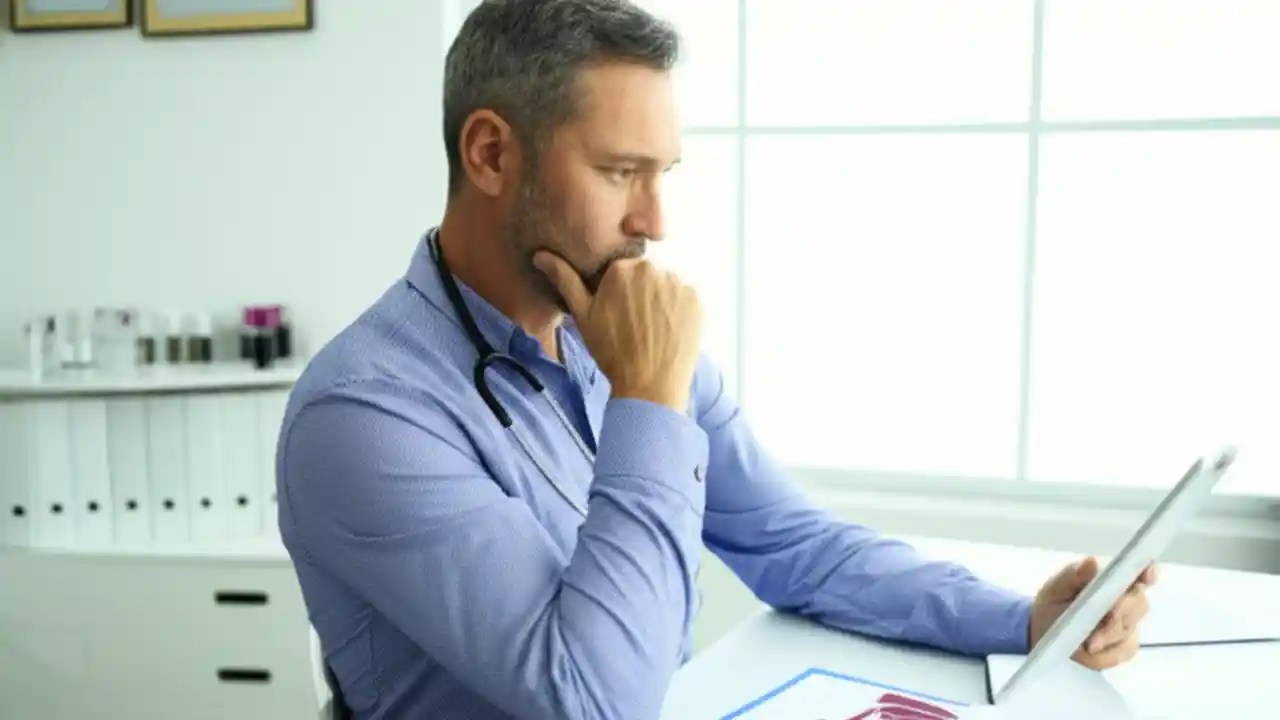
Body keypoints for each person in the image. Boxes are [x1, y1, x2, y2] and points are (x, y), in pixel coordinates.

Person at [276, 2, 1155, 718]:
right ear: (491, 153)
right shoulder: (363, 416)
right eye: (621, 172)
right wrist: (650, 401)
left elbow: (798, 548)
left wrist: (1024, 620)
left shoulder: (615, 326)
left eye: (665, 174)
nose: (656, 221)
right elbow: (598, 700)